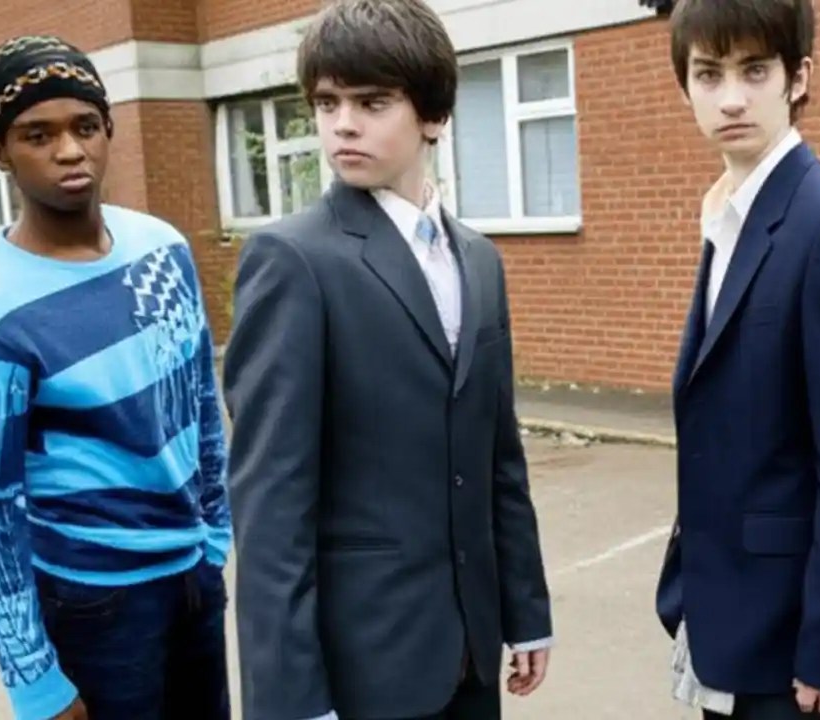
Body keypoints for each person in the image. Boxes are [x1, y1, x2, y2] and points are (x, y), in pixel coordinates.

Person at [221, 1, 553, 719]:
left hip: (471, 653)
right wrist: (292, 701)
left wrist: (526, 608)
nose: (343, 123)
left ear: (432, 115)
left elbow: (498, 455)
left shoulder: (479, 259)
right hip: (362, 670)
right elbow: (271, 505)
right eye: (328, 102)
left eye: (372, 102)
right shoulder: (293, 261)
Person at [0, 35, 232, 720]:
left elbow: (198, 401)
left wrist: (215, 534)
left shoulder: (162, 247)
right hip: (94, 604)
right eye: (37, 135)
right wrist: (34, 679)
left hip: (192, 575)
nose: (69, 151)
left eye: (84, 126)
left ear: (107, 131)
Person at [653, 1, 820, 718]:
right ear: (685, 86)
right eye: (709, 74)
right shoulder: (730, 217)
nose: (731, 97)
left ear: (798, 77)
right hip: (728, 619)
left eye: (755, 70)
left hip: (803, 646)